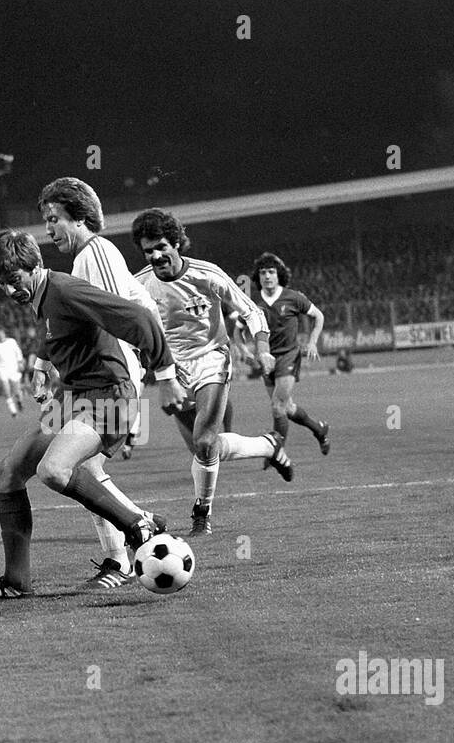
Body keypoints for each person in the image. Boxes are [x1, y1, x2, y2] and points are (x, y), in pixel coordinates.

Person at [0, 229, 184, 599]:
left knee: (53, 471)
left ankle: (140, 527)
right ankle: (16, 583)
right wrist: (43, 364)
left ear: (35, 266)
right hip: (75, 398)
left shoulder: (66, 289)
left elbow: (139, 317)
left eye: (14, 280)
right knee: (8, 473)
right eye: (1, 284)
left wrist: (166, 376)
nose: (9, 291)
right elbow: (57, 328)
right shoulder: (43, 296)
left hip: (109, 397)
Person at [132, 208, 294, 537]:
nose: (156, 255)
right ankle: (268, 446)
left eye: (161, 246)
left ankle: (201, 514)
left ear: (177, 242)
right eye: (148, 251)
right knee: (206, 450)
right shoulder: (138, 286)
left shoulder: (207, 275)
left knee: (205, 442)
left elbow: (252, 313)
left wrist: (263, 350)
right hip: (170, 373)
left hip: (212, 359)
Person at [38, 175, 163, 588]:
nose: (49, 229)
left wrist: (131, 407)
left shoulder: (95, 253)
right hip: (102, 384)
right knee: (84, 470)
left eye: (55, 218)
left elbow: (123, 321)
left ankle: (122, 558)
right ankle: (141, 529)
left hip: (111, 384)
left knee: (72, 467)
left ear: (80, 218)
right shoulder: (84, 259)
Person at [250, 252, 330, 454]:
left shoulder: (293, 297)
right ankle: (319, 429)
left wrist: (312, 342)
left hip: (288, 356)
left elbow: (318, 316)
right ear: (258, 277)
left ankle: (278, 453)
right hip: (267, 360)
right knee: (287, 408)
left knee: (277, 406)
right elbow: (239, 329)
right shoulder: (253, 302)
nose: (267, 276)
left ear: (279, 275)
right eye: (262, 273)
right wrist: (246, 350)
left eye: (271, 272)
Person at [0, 328, 26, 417]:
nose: (0, 336)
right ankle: (13, 411)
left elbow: (18, 352)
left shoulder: (12, 341)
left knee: (17, 391)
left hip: (13, 368)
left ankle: (19, 402)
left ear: (4, 334)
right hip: (1, 370)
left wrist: (20, 362)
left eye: (1, 333)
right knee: (6, 390)